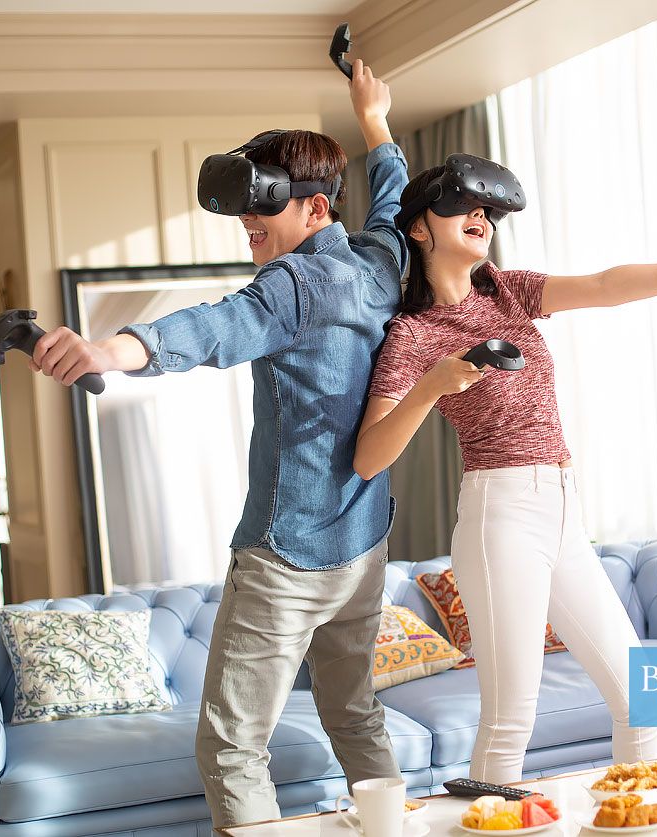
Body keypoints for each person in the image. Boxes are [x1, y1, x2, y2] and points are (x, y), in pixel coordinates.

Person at [28, 60, 408, 827]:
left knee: (233, 746)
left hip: (289, 553)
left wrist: (111, 350)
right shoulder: (381, 262)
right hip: (364, 544)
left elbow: (206, 329)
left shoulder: (292, 286)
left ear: (313, 206)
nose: (248, 226)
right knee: (356, 716)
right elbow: (394, 196)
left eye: (262, 209)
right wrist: (375, 119)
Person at [353, 161, 657, 784]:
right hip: (502, 515)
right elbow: (369, 456)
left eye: (487, 212)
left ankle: (637, 822)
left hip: (564, 510)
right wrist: (433, 386)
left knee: (638, 699)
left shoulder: (509, 292)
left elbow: (605, 284)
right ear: (418, 230)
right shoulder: (413, 334)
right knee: (512, 716)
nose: (480, 219)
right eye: (464, 208)